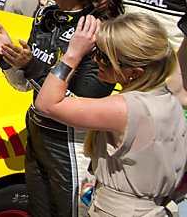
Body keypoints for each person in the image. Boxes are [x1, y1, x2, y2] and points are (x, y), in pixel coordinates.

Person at [0, 0, 125, 217]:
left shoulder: (97, 31)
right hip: (37, 134)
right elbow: (23, 84)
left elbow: (79, 106)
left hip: (73, 146)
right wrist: (8, 57)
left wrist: (30, 65)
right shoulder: (46, 16)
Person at [34, 13, 187, 216]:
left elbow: (46, 104)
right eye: (97, 52)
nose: (96, 60)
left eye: (105, 58)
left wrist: (73, 54)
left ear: (136, 71)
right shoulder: (169, 99)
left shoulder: (125, 107)